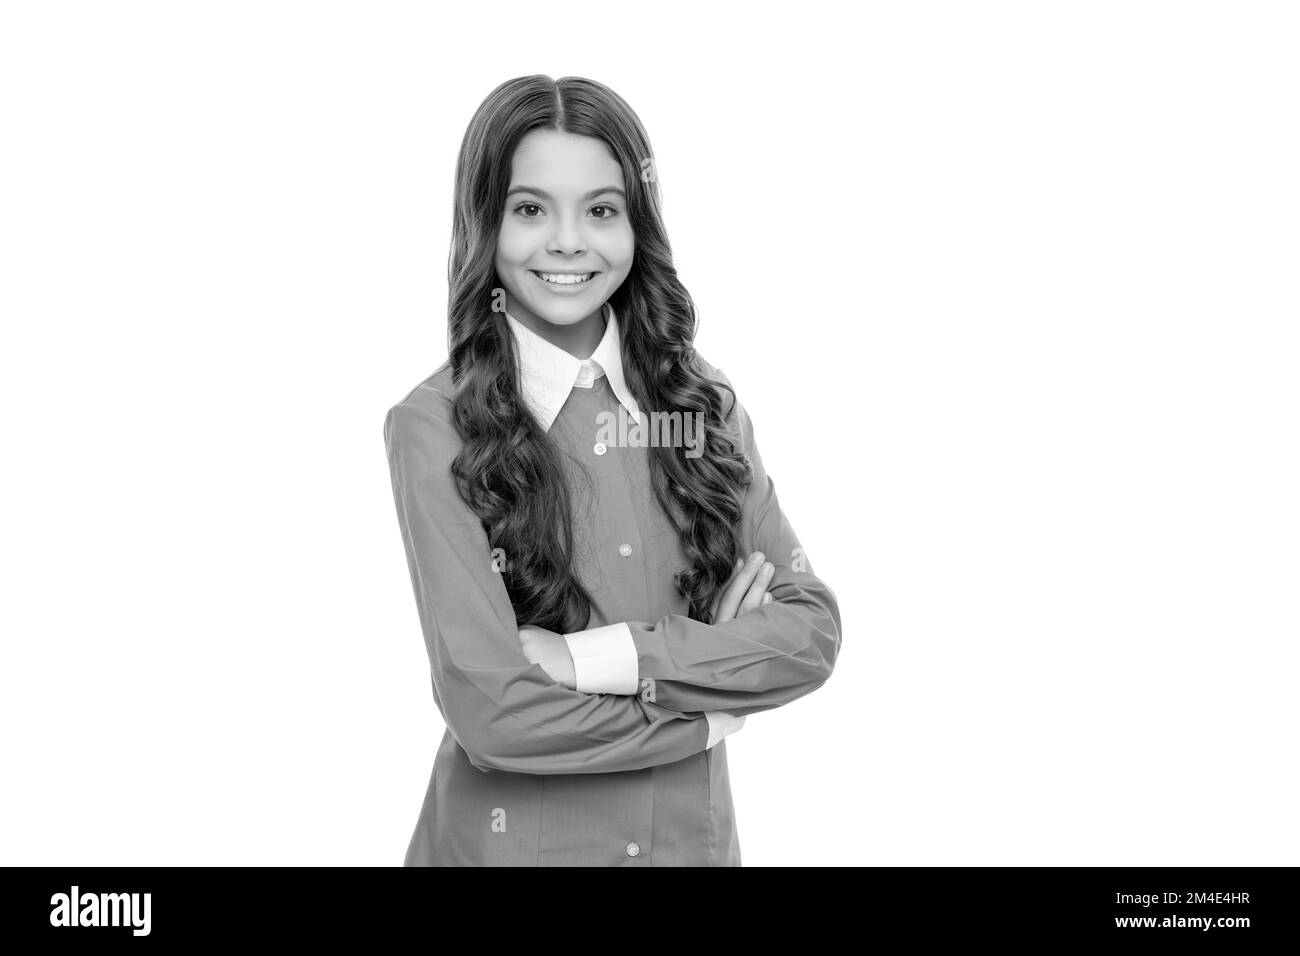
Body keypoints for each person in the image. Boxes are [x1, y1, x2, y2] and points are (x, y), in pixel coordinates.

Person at [383, 74, 842, 866]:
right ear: (483, 221)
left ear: (638, 226)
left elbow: (808, 633)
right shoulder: (433, 427)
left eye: (601, 210)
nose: (568, 242)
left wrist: (586, 661)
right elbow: (492, 713)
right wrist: (711, 703)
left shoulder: (700, 404)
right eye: (530, 209)